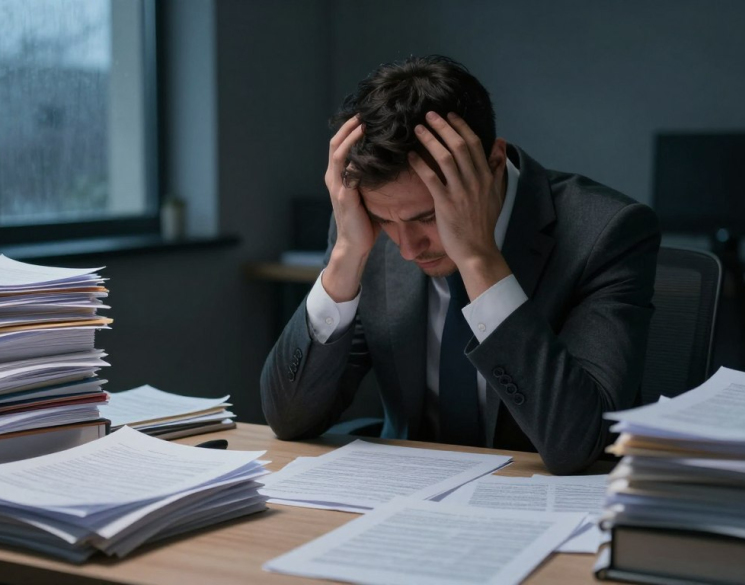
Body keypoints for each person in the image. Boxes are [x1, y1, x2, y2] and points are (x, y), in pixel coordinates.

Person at [260, 55, 660, 474]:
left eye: (429, 216)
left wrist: (477, 258)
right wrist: (345, 256)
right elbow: (290, 420)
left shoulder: (608, 232)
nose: (408, 249)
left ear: (492, 165)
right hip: (403, 488)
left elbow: (575, 444)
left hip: (538, 493)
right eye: (386, 221)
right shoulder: (364, 228)